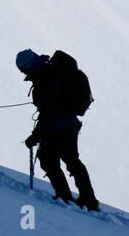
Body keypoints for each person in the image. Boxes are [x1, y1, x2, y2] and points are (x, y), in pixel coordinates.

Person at [16, 49, 99, 211]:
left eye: (23, 70)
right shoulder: (50, 71)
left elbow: (48, 113)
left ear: (28, 65)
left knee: (48, 160)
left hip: (58, 128)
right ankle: (88, 200)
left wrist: (35, 136)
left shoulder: (44, 78)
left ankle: (65, 197)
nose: (24, 74)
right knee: (71, 161)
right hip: (70, 125)